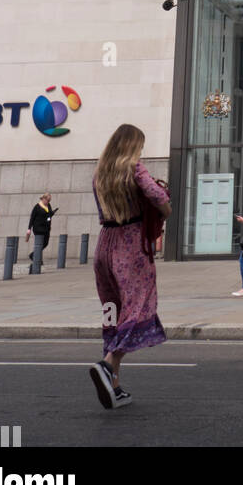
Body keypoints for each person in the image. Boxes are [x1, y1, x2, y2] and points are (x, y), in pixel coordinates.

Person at [89, 123, 170, 410]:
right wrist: (164, 208)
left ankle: (114, 388)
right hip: (130, 246)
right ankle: (108, 365)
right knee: (136, 308)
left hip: (104, 246)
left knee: (111, 310)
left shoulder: (100, 173)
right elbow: (160, 198)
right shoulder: (134, 169)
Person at [25, 192, 58, 266]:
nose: (48, 202)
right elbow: (32, 218)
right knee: (39, 244)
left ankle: (34, 255)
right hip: (38, 228)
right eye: (47, 200)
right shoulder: (37, 207)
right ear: (43, 199)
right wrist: (29, 228)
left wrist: (52, 213)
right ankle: (37, 258)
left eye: (49, 201)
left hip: (46, 228)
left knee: (45, 243)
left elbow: (48, 216)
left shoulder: (48, 205)